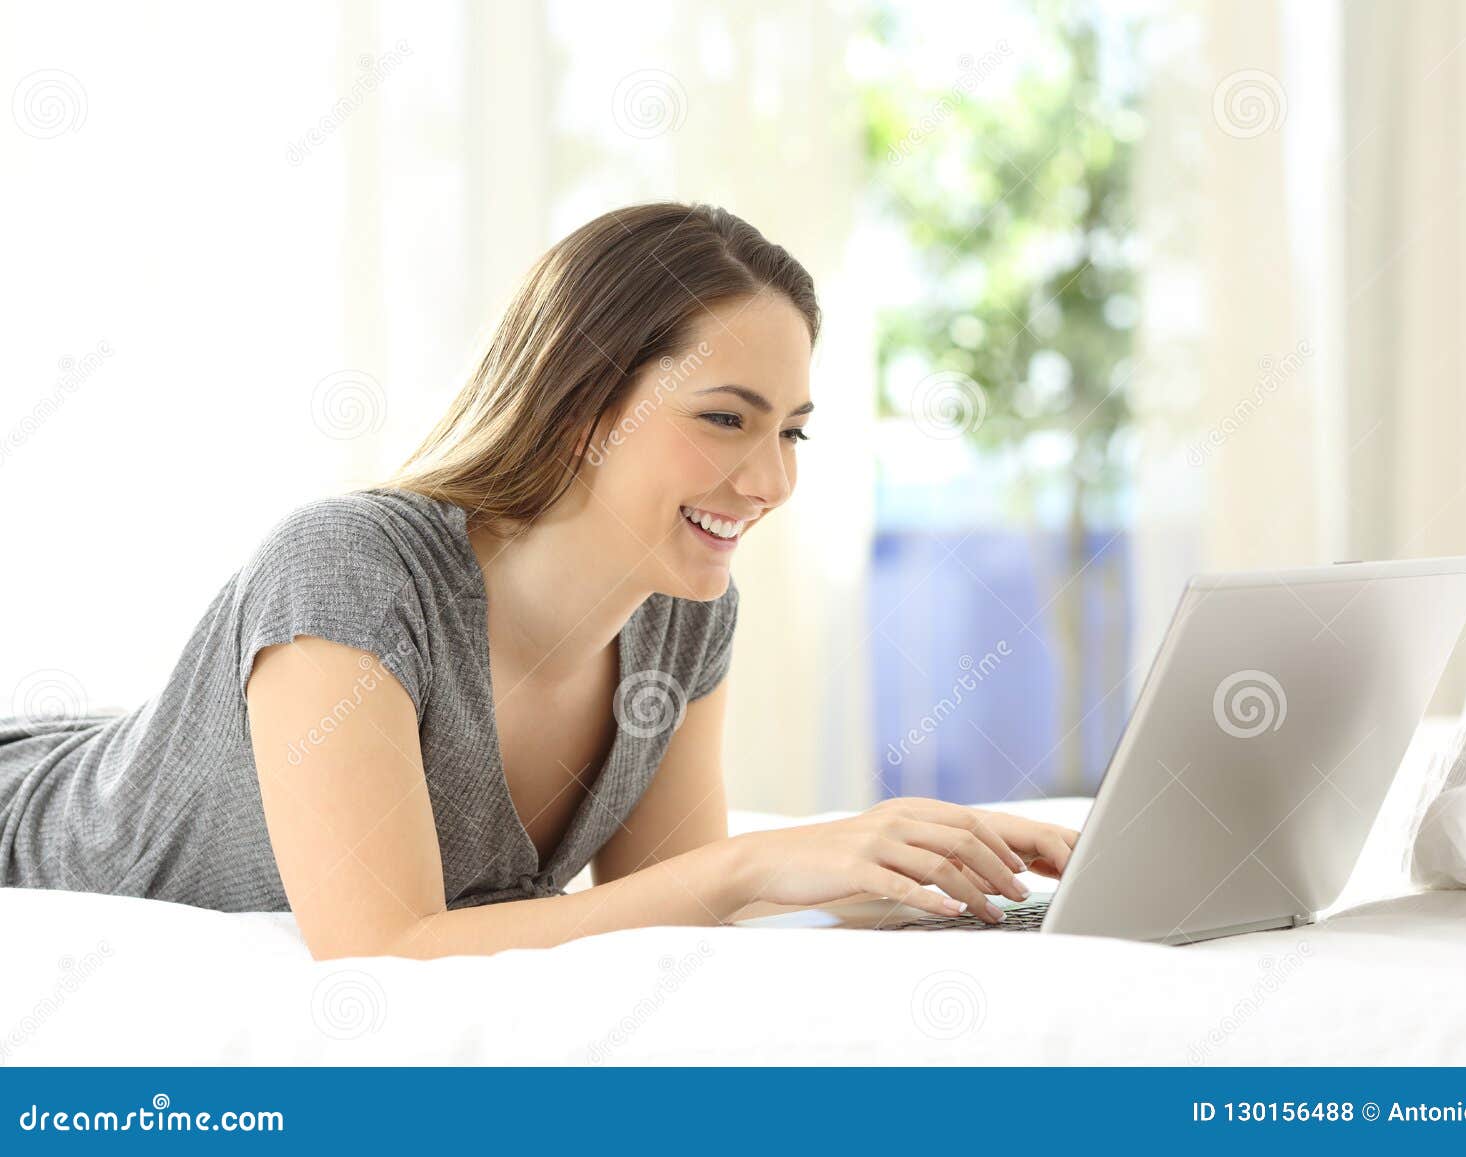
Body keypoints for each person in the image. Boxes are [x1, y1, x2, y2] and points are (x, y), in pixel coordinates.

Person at [0, 202, 1078, 960]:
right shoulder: (348, 569)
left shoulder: (683, 617)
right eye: (724, 418)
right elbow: (383, 945)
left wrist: (905, 865)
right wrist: (756, 864)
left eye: (792, 429)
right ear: (578, 407)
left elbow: (670, 892)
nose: (771, 479)